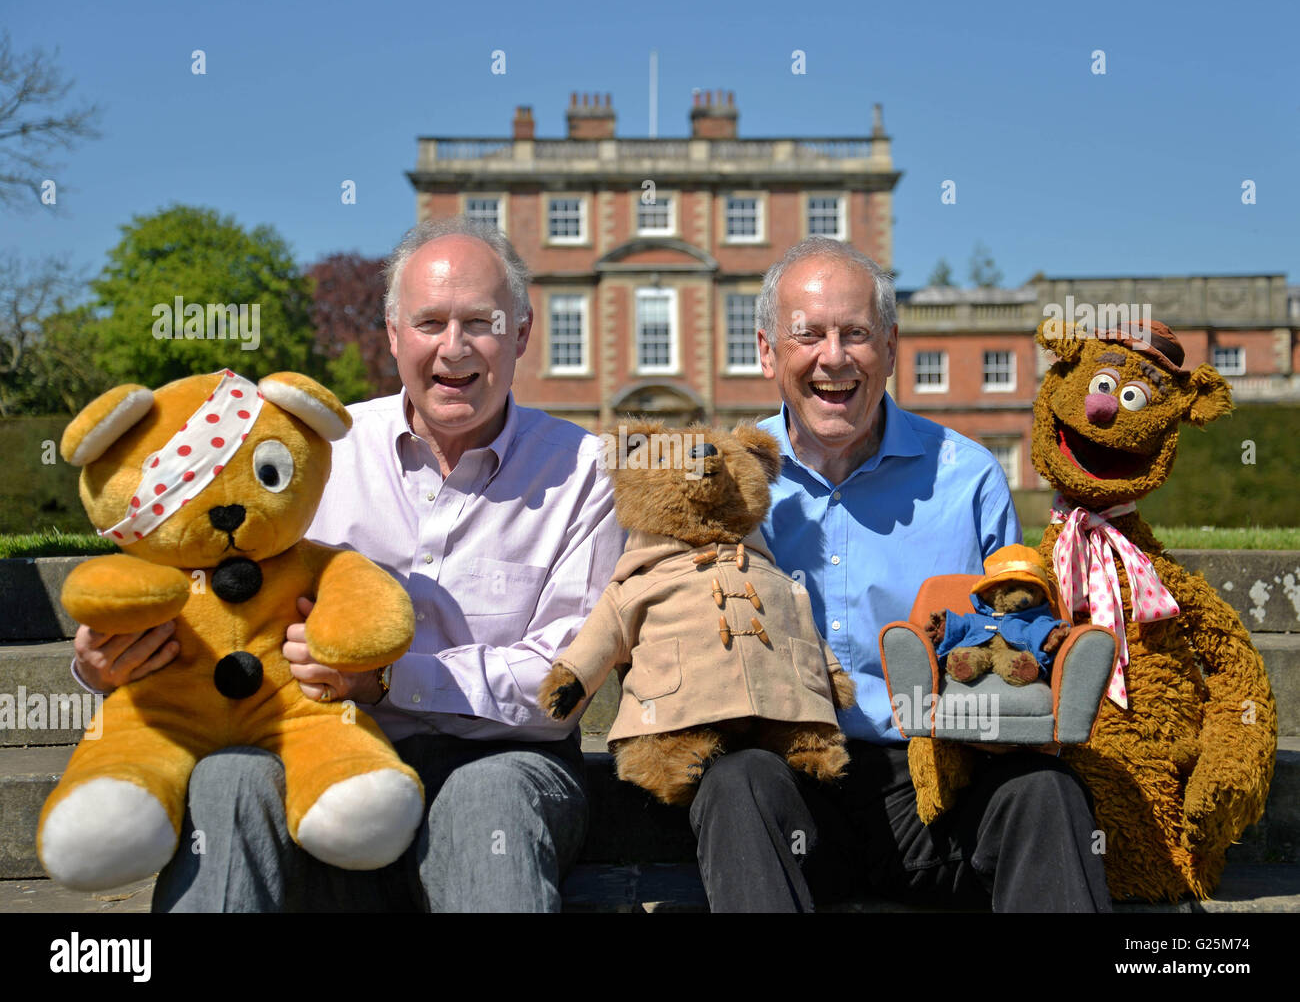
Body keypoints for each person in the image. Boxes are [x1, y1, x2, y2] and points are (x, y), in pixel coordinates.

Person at [71, 217, 624, 912]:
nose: (453, 348)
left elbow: (560, 682)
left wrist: (388, 678)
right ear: (394, 334)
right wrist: (107, 658)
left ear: (520, 333)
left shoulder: (584, 470)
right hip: (320, 749)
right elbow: (208, 589)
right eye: (429, 322)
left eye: (479, 322)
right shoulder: (305, 453)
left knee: (489, 801)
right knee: (228, 781)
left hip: (507, 758)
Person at [686, 237, 1112, 912]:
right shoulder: (725, 482)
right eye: (809, 335)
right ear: (768, 351)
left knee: (1046, 792)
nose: (834, 357)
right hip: (795, 783)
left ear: (889, 346)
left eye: (855, 333)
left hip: (938, 781)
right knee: (736, 782)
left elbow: (1022, 628)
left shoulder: (966, 475)